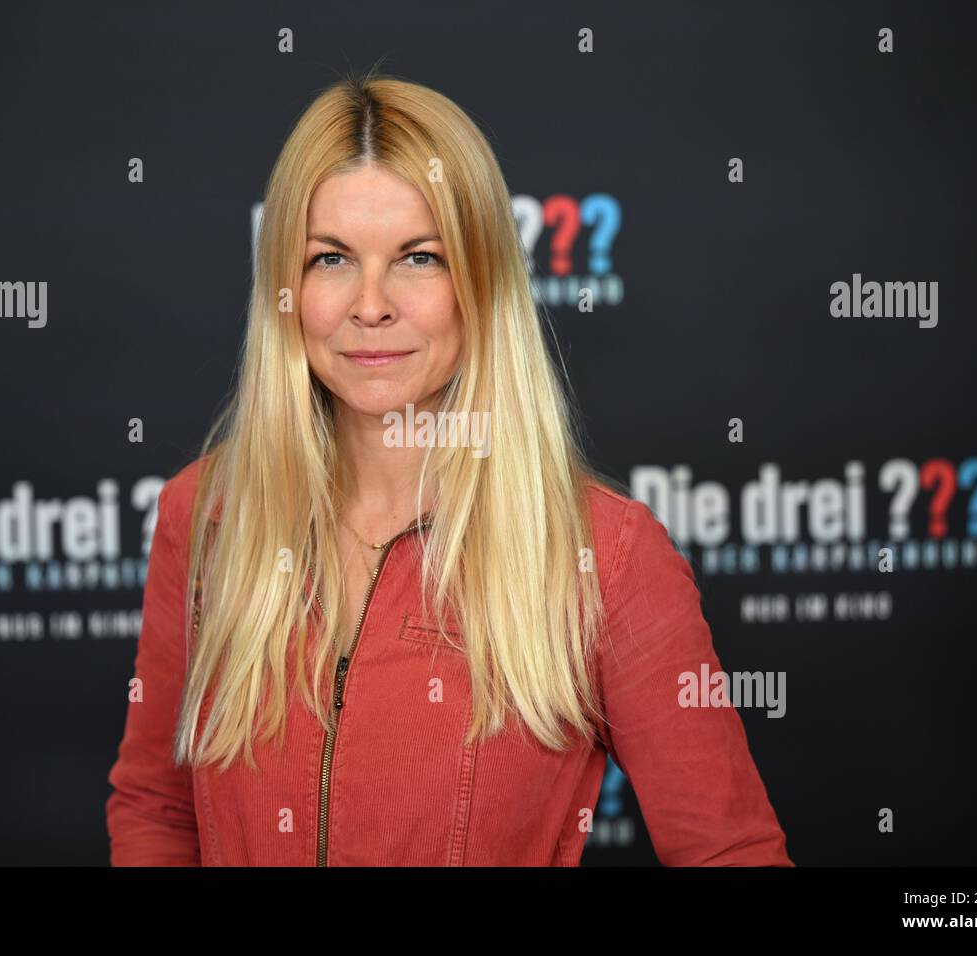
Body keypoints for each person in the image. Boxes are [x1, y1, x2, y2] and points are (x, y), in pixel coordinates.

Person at [106, 69, 793, 867]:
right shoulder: (208, 514)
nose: (370, 304)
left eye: (418, 257)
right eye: (331, 259)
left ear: (482, 280)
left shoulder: (605, 556)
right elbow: (158, 811)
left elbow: (728, 853)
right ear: (285, 289)